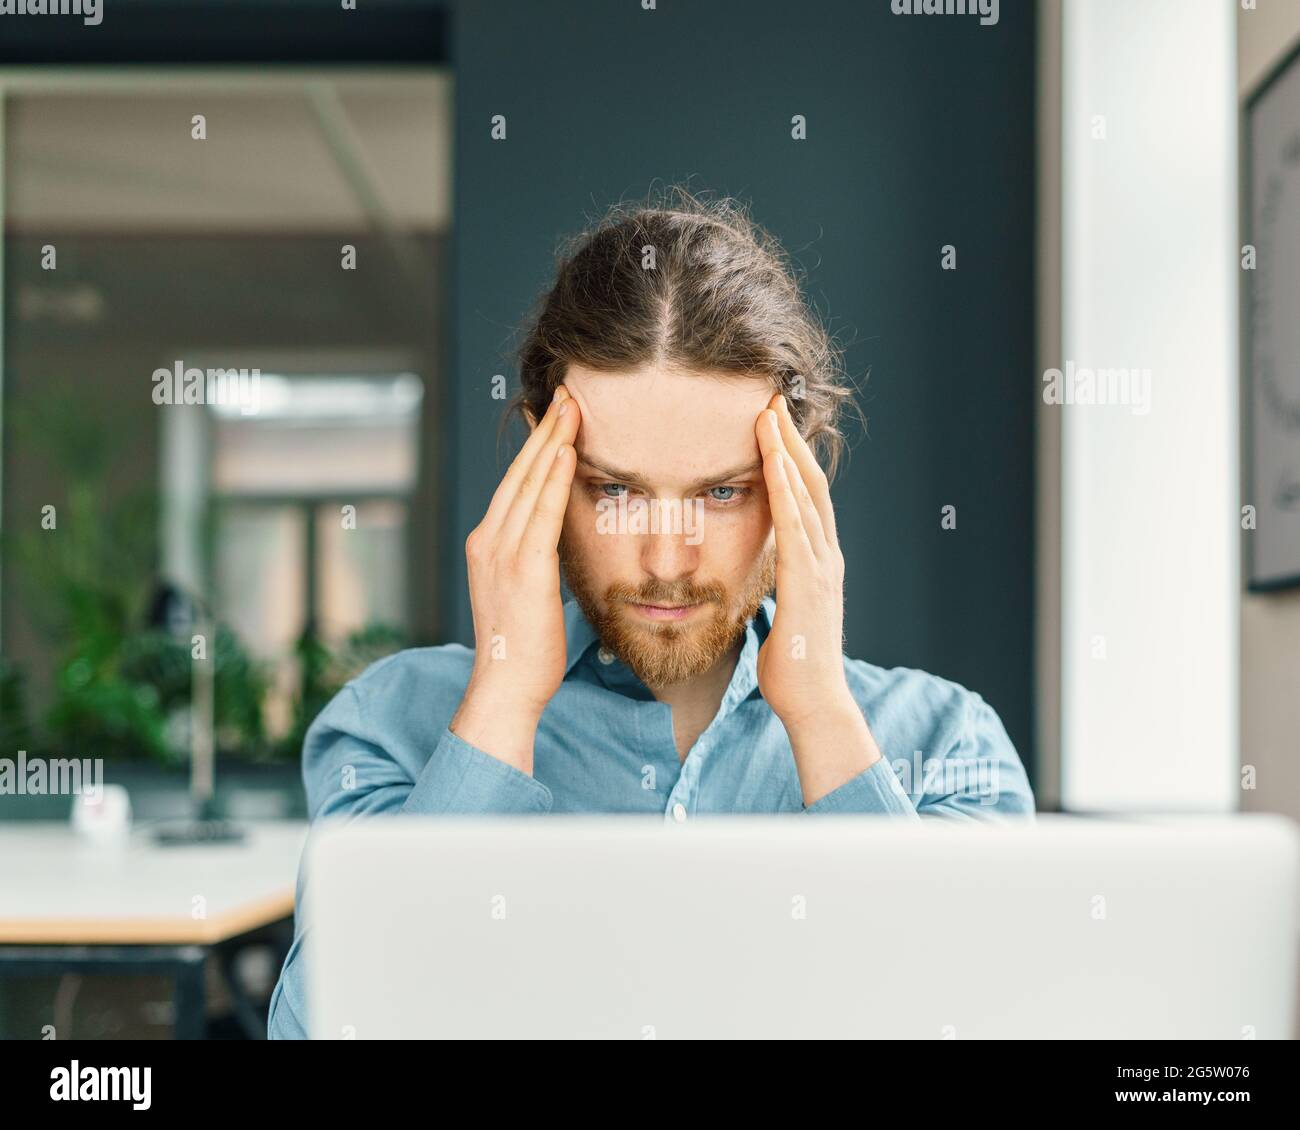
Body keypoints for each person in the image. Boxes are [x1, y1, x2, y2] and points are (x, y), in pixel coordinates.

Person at [267, 189, 1034, 1039]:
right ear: (542, 469)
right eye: (616, 490)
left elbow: (966, 1021)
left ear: (797, 481)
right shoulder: (394, 728)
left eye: (721, 492)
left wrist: (820, 717)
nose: (667, 559)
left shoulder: (946, 747)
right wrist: (503, 705)